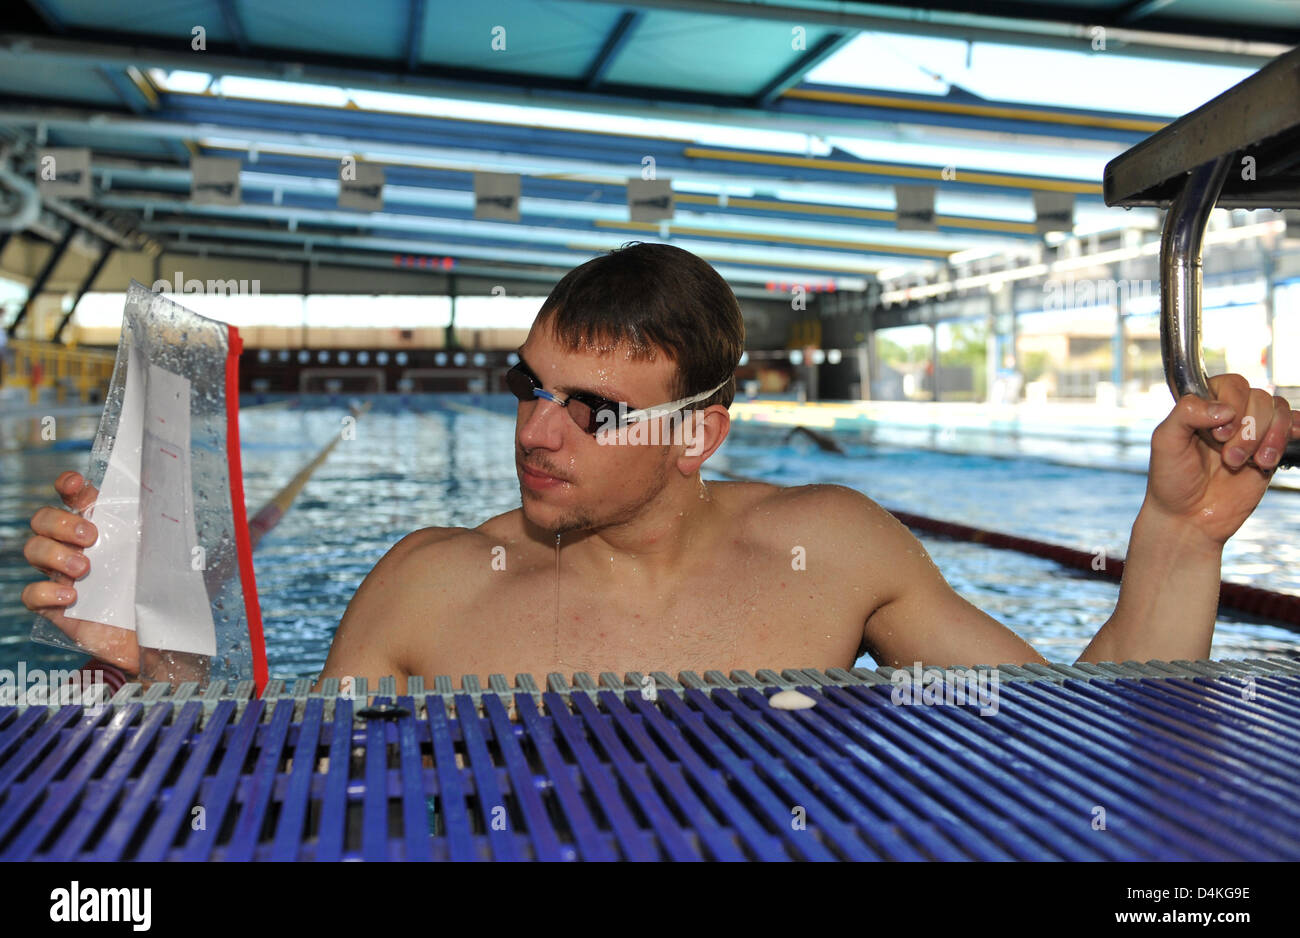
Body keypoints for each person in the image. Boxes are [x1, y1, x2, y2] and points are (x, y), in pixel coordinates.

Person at [20, 242, 1300, 690]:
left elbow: (1073, 741)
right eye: (531, 388)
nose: (536, 431)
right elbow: (275, 818)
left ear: (698, 431)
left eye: (592, 409)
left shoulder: (835, 547)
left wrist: (1176, 540)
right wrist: (159, 680)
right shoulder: (428, 588)